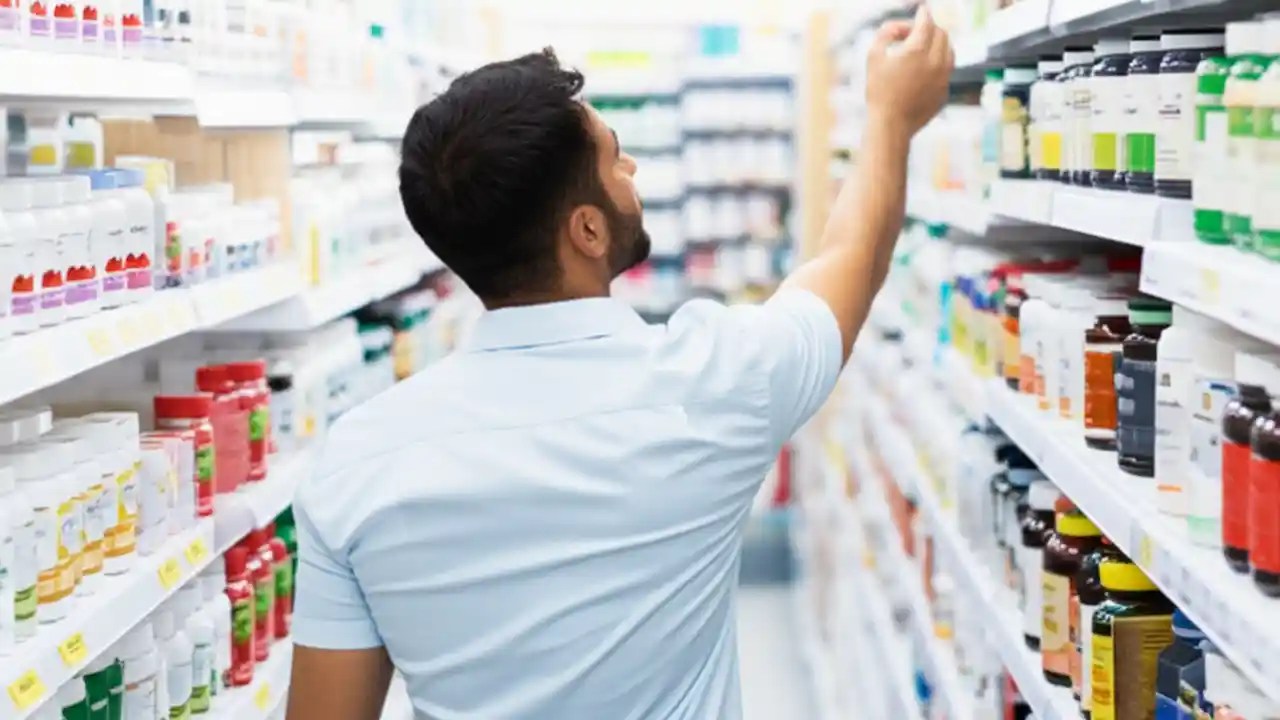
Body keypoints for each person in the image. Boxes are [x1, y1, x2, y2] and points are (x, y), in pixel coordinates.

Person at [286, 8, 952, 720]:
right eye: (614, 156)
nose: (631, 168)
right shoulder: (714, 384)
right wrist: (890, 117)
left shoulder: (354, 462)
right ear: (587, 228)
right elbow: (852, 260)